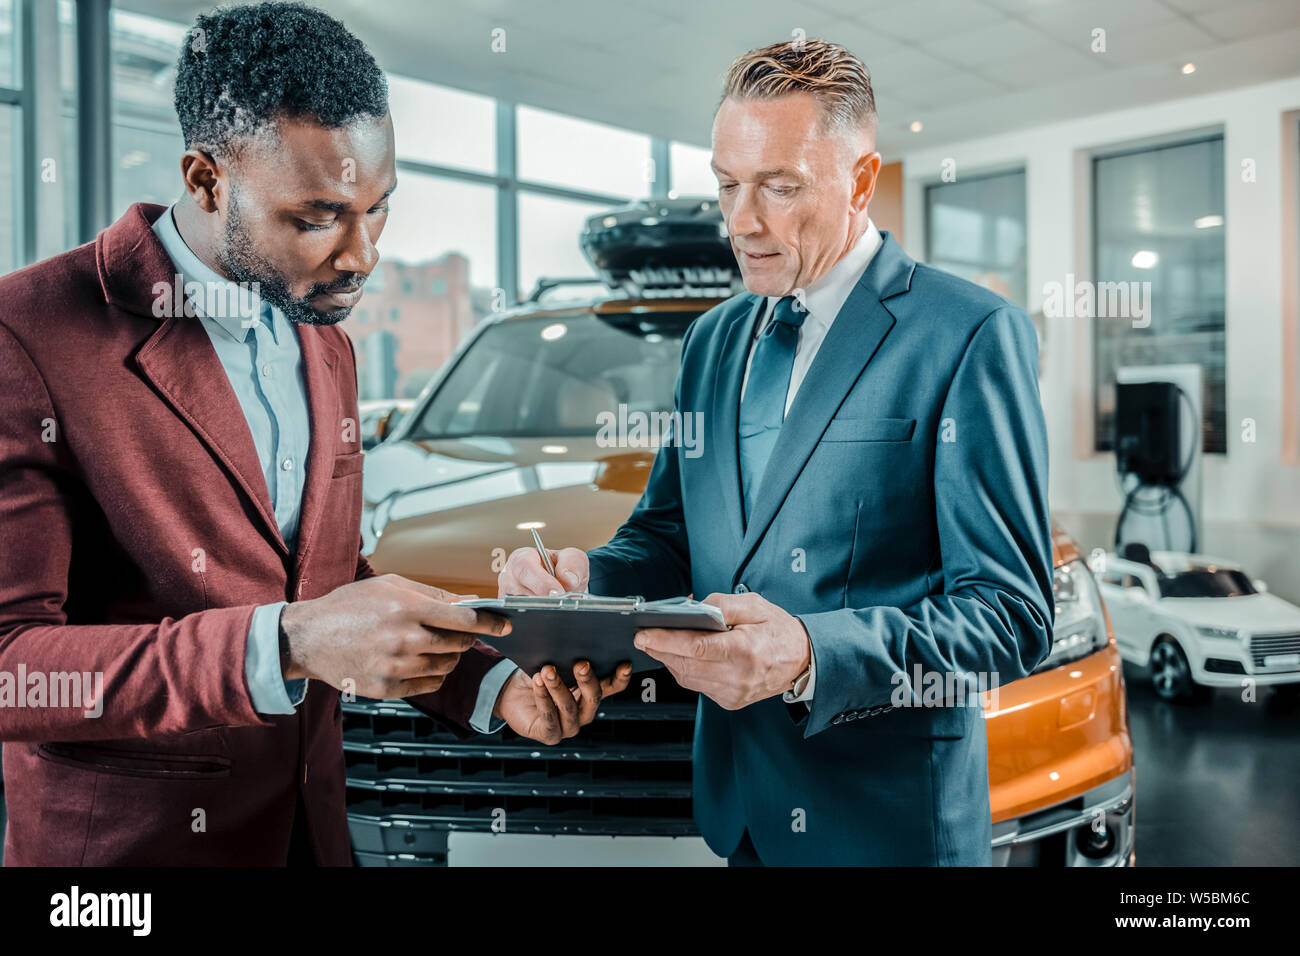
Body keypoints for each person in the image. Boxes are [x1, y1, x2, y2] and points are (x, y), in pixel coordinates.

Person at [0, 1, 626, 867]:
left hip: (311, 836)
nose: (364, 253)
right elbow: (12, 666)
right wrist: (285, 643)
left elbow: (331, 581)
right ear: (208, 179)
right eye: (320, 216)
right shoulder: (26, 334)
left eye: (380, 208)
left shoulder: (319, 330)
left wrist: (493, 690)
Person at [499, 38, 1053, 865]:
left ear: (861, 181)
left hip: (890, 826)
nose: (741, 221)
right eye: (727, 184)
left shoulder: (967, 334)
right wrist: (586, 583)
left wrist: (807, 654)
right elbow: (669, 537)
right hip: (742, 811)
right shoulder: (713, 341)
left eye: (779, 186)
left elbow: (1010, 615)